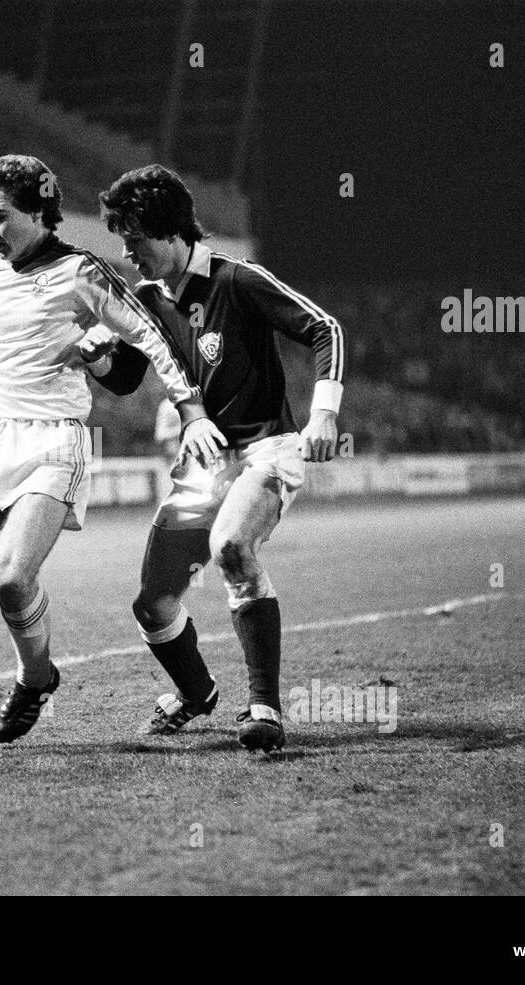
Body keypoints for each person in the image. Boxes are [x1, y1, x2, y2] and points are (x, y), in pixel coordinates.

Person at [0, 154, 218, 759]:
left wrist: (191, 410)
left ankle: (36, 677)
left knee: (9, 579)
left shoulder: (84, 273)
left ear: (37, 212)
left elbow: (152, 340)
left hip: (53, 439)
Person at [96, 164, 346, 751]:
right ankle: (197, 692)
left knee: (232, 547)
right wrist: (95, 357)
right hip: (204, 461)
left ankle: (264, 708)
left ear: (169, 233)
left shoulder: (238, 279)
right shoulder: (150, 299)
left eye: (133, 239)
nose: (128, 253)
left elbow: (324, 327)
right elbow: (129, 377)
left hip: (266, 446)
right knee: (154, 603)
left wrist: (325, 412)